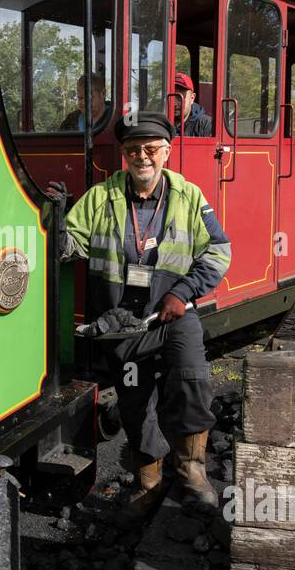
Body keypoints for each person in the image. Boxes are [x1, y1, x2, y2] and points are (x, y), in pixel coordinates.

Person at [53, 113, 232, 515]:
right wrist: (55, 220)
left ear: (167, 152)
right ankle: (148, 480)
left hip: (171, 314)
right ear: (124, 154)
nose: (142, 157)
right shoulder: (100, 198)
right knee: (135, 399)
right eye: (133, 150)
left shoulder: (189, 196)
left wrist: (182, 293)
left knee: (192, 380)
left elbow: (219, 251)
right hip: (122, 321)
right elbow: (69, 247)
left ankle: (191, 473)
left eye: (151, 149)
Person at [173, 72, 213, 136]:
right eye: (172, 97)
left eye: (179, 97)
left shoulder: (206, 125)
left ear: (192, 98)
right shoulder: (160, 124)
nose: (174, 103)